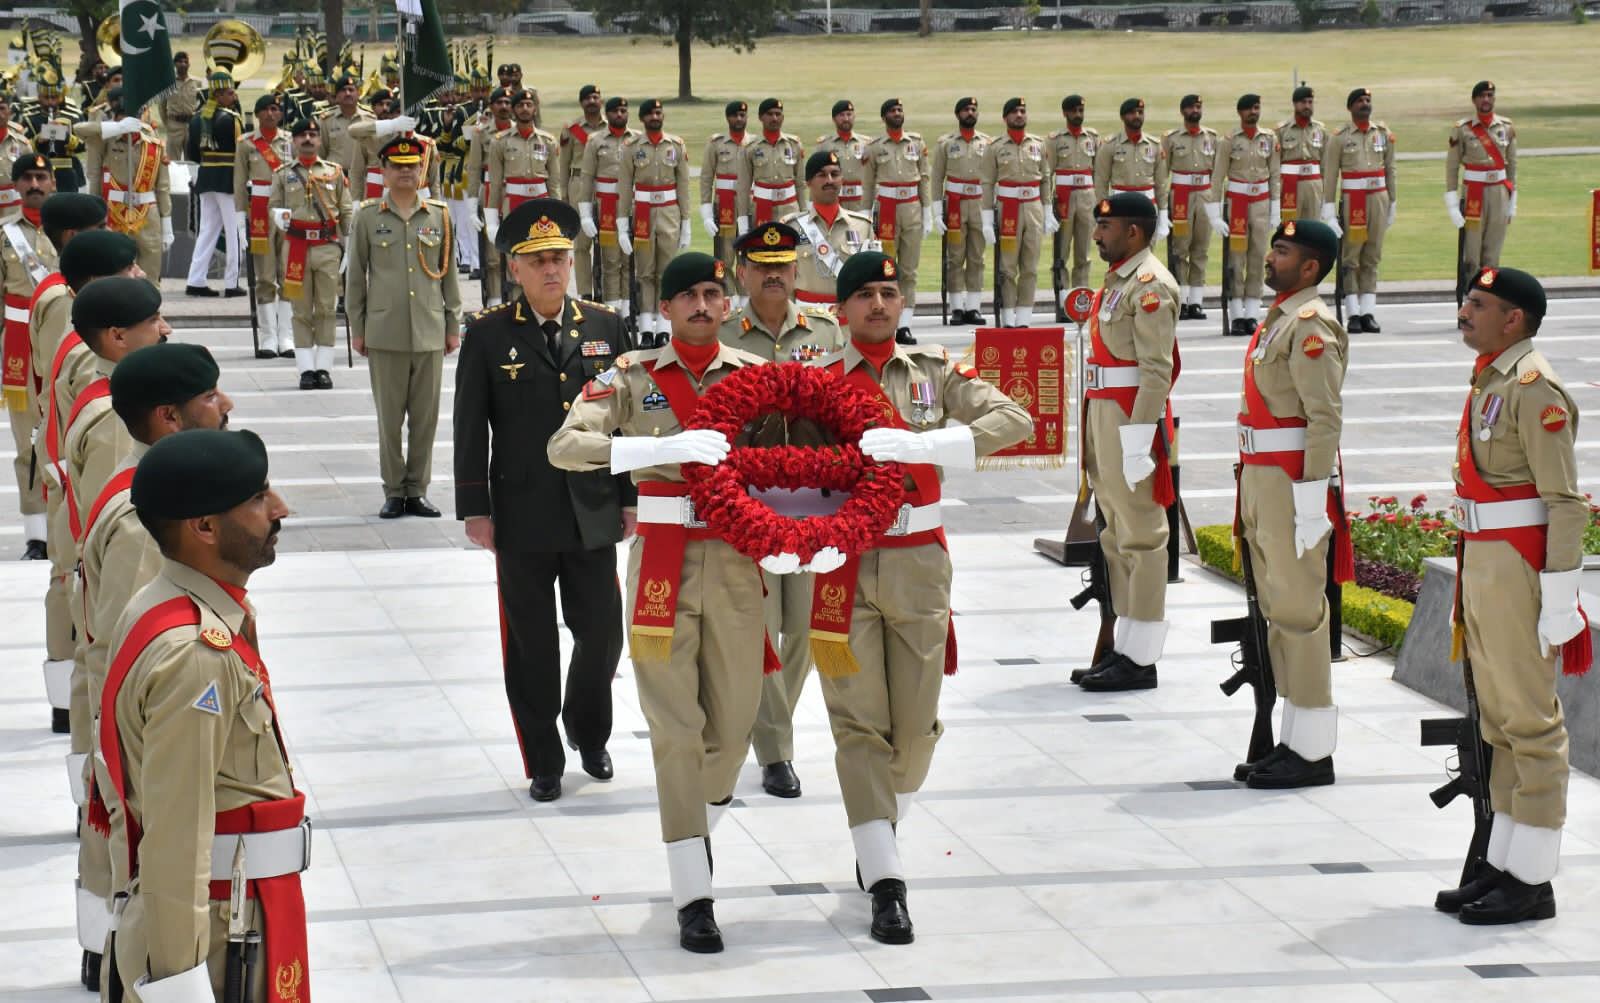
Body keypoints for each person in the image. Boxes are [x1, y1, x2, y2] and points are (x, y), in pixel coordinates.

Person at [549, 252, 768, 954]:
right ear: (666, 309)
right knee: (676, 727)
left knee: (732, 731)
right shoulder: (629, 377)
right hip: (662, 559)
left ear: (727, 305)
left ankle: (696, 826)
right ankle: (692, 894)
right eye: (687, 297)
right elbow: (564, 444)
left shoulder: (756, 378)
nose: (702, 306)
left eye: (712, 294)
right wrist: (649, 448)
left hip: (737, 556)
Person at [813, 250, 1030, 943]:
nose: (879, 304)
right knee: (858, 726)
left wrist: (925, 445)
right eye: (865, 296)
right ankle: (885, 878)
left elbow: (1014, 418)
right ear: (840, 310)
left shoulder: (933, 371)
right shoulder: (813, 384)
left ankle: (882, 820)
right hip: (841, 567)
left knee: (915, 731)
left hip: (918, 563)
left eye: (888, 292)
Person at [101, 428, 307, 1002]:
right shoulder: (194, 656)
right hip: (217, 937)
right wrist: (180, 985)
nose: (280, 509)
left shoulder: (169, 603)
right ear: (206, 528)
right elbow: (174, 839)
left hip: (237, 907)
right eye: (258, 499)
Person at [455, 199, 631, 803]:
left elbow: (625, 421)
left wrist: (629, 496)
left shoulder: (607, 328)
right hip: (522, 513)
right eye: (538, 261)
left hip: (592, 507)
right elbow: (469, 425)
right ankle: (544, 758)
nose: (552, 269)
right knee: (531, 642)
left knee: (603, 632)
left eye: (559, 257)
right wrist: (475, 508)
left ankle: (590, 731)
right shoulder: (487, 333)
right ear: (515, 269)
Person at [75, 342, 231, 993]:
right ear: (170, 417)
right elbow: (132, 659)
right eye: (210, 399)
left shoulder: (148, 494)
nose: (225, 407)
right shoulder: (148, 526)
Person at [1440, 266, 1584, 925]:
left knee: (1531, 721)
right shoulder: (1493, 376)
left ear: (1514, 319)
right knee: (1499, 722)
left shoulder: (1534, 387)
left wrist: (1559, 595)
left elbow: (1563, 501)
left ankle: (1532, 879)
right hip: (1486, 561)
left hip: (1519, 567)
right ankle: (1502, 864)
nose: (1465, 311)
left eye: (1479, 303)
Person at [718, 221, 845, 798]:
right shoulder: (722, 334)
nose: (773, 273)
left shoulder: (826, 331)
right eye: (761, 265)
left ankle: (772, 724)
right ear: (740, 271)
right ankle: (775, 749)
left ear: (797, 271)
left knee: (806, 628)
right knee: (763, 627)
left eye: (783, 264)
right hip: (748, 503)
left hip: (815, 501)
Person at [1232, 219, 1347, 789]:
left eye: (1282, 252)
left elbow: (1323, 418)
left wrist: (1309, 498)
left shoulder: (1311, 327)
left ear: (1309, 268)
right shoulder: (1280, 321)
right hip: (1263, 479)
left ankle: (1312, 752)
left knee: (1300, 614)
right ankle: (1292, 739)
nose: (1269, 258)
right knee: (1280, 613)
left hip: (1289, 483)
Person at [1073, 193, 1180, 693]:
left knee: (1141, 534)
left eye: (1105, 227)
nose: (1096, 235)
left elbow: (1157, 371)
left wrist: (1140, 437)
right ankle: (1124, 644)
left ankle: (1142, 657)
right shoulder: (1119, 282)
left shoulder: (1151, 285)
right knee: (1115, 536)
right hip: (1105, 415)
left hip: (1128, 421)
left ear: (1132, 233)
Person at [30, 197, 112, 737]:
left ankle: (68, 701)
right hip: (70, 461)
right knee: (70, 581)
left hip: (61, 451)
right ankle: (67, 705)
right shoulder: (69, 306)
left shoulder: (54, 291)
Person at [346, 136, 461, 520]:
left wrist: (452, 323)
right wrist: (357, 327)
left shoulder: (439, 215)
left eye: (412, 165)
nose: (406, 172)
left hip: (429, 328)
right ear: (384, 171)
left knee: (426, 420)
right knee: (390, 419)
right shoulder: (367, 216)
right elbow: (356, 278)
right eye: (398, 166)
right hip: (384, 330)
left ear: (421, 170)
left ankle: (418, 490)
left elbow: (449, 276)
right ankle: (394, 490)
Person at [269, 115, 353, 390]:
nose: (308, 139)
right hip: (295, 247)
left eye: (313, 135)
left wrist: (349, 242)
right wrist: (278, 217)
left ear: (319, 140)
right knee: (301, 310)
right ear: (293, 141)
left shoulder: (333, 172)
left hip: (327, 246)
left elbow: (345, 207)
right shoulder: (282, 174)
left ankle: (324, 367)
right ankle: (306, 368)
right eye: (302, 135)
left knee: (327, 308)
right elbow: (274, 207)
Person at [1, 154, 56, 561]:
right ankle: (37, 535)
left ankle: (71, 523)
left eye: (41, 177)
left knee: (70, 438)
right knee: (28, 445)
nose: (34, 184)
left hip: (64, 341)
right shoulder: (4, 236)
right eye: (27, 178)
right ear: (16, 186)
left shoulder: (70, 230)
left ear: (53, 183)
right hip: (19, 342)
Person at [78, 88, 171, 288]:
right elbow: (79, 129)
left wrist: (168, 223)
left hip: (147, 213)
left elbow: (162, 186)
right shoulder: (106, 139)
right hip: (114, 211)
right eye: (122, 120)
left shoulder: (153, 143)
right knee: (115, 273)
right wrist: (116, 128)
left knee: (150, 274)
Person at [1321, 87, 1395, 333]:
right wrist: (1329, 208)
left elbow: (1389, 169)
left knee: (1372, 255)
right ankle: (1353, 311)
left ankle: (1368, 311)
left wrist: (1392, 202)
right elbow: (1330, 174)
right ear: (1351, 107)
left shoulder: (1382, 133)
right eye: (1360, 101)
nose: (1365, 104)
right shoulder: (1340, 137)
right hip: (1355, 201)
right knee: (1352, 257)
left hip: (1378, 198)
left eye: (1368, 100)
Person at [618, 99, 691, 346]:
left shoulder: (676, 145)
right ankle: (646, 328)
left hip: (669, 212)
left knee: (667, 272)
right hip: (642, 213)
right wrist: (621, 223)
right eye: (650, 114)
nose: (655, 116)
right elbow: (625, 187)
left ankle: (664, 327)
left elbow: (683, 186)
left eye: (658, 112)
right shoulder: (631, 147)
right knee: (645, 272)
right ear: (642, 119)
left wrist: (686, 221)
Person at [1210, 94, 1282, 335]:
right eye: (1249, 109)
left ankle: (1252, 313)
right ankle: (1237, 313)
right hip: (1237, 203)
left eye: (1257, 108)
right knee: (1236, 260)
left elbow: (1274, 174)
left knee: (1258, 258)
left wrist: (1275, 208)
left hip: (1260, 203)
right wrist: (1215, 213)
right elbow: (1218, 177)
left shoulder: (1269, 139)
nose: (1254, 112)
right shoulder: (1230, 140)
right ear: (1240, 113)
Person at [861, 99, 930, 344]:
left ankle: (905, 326)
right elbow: (868, 184)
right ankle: (887, 322)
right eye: (892, 111)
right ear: (884, 117)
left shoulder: (916, 143)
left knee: (909, 271)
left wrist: (928, 210)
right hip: (887, 208)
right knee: (887, 270)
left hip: (911, 208)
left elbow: (924, 177)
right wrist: (866, 215)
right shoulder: (875, 147)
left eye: (900, 110)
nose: (897, 113)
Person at [979, 97, 1047, 328]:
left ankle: (1024, 319)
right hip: (1008, 209)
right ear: (1005, 117)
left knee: (1030, 266)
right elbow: (987, 183)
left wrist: (1047, 211)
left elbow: (1046, 179)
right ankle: (1008, 318)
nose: (1020, 115)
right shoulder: (995, 147)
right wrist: (987, 219)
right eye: (1015, 112)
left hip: (1033, 209)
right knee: (1007, 268)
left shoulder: (1038, 144)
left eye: (1023, 111)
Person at [235, 94, 292, 358]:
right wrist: (238, 215)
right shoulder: (247, 143)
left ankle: (286, 336)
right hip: (259, 209)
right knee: (265, 276)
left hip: (287, 210)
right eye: (265, 110)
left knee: (288, 274)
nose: (270, 114)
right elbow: (239, 181)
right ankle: (268, 336)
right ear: (257, 114)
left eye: (274, 109)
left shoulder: (291, 141)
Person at [783, 151, 875, 309]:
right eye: (822, 175)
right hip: (807, 320)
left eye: (835, 174)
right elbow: (785, 282)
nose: (830, 180)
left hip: (848, 321)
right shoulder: (791, 227)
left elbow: (872, 279)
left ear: (842, 180)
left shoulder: (862, 226)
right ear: (808, 182)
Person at [1445, 81, 1517, 281]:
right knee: (1472, 254)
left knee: (1492, 253)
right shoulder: (1463, 129)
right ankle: (1471, 297)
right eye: (1482, 96)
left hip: (1499, 193)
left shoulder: (1507, 127)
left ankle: (1487, 296)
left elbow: (1512, 166)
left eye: (1490, 95)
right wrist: (1451, 202)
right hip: (1474, 192)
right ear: (1474, 100)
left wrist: (1513, 202)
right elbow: (1452, 166)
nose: (1486, 99)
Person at [932, 97, 991, 326]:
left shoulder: (986, 143)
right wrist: (937, 211)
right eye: (966, 109)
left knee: (977, 257)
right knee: (955, 258)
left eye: (974, 109)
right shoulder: (946, 143)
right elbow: (937, 177)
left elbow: (992, 177)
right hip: (955, 204)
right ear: (958, 115)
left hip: (978, 203)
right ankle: (956, 307)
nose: (970, 112)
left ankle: (974, 307)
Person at [575, 96, 636, 315]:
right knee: (611, 261)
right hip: (607, 206)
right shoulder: (595, 140)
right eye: (615, 111)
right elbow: (587, 177)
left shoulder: (637, 139)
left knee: (631, 259)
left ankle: (629, 309)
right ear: (607, 114)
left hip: (632, 206)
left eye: (623, 110)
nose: (619, 114)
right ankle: (612, 309)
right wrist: (585, 214)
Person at [184, 72, 243, 299]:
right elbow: (240, 153)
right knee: (234, 230)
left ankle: (195, 279)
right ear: (218, 94)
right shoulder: (231, 118)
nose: (233, 95)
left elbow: (192, 153)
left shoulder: (197, 118)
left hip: (206, 176)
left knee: (208, 230)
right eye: (229, 92)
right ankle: (231, 283)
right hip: (227, 178)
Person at [1161, 95, 1219, 323]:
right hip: (1181, 196)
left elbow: (1216, 171)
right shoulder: (1172, 138)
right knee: (1179, 249)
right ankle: (1181, 299)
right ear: (1183, 111)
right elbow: (1163, 173)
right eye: (1191, 107)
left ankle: (1196, 301)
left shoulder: (1211, 137)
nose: (1196, 110)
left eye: (1199, 107)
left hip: (1204, 194)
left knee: (1201, 248)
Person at [1043, 95, 1099, 295]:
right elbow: (1047, 174)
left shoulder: (1092, 137)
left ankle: (1080, 297)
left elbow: (1098, 173)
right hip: (1064, 198)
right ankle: (1063, 297)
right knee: (1061, 252)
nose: (1078, 115)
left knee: (1083, 253)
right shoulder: (1055, 139)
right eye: (1074, 111)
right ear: (1065, 113)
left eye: (1081, 111)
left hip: (1087, 197)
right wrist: (1047, 206)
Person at [700, 100, 753, 307]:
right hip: (724, 208)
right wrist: (705, 210)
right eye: (734, 115)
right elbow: (706, 177)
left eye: (742, 115)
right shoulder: (717, 144)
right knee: (723, 258)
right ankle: (728, 298)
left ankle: (746, 301)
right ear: (727, 118)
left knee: (747, 257)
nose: (739, 119)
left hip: (747, 207)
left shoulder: (754, 144)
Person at [467, 87, 514, 306]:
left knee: (514, 251)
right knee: (494, 257)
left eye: (507, 102)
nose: (504, 106)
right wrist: (470, 204)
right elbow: (474, 168)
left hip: (513, 193)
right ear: (491, 106)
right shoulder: (481, 133)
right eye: (499, 102)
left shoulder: (517, 131)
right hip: (488, 193)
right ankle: (495, 301)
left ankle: (516, 297)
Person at [558, 84, 606, 298]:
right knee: (581, 245)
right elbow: (563, 165)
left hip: (606, 185)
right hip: (578, 183)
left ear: (601, 100)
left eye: (595, 97)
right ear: (581, 103)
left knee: (608, 243)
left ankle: (606, 289)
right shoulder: (572, 129)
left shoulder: (611, 127)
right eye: (587, 98)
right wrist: (565, 198)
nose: (592, 101)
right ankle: (586, 292)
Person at [737, 98, 806, 230]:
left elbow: (800, 183)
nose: (774, 118)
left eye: (778, 114)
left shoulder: (794, 144)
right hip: (762, 208)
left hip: (790, 208)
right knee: (763, 248)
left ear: (783, 117)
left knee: (791, 248)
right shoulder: (750, 147)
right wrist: (742, 219)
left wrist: (804, 213)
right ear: (760, 117)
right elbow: (743, 187)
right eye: (769, 114)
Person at [1277, 85, 1327, 222]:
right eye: (1303, 102)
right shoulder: (1282, 130)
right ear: (1295, 104)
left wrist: (1326, 196)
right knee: (1289, 229)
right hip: (1289, 185)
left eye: (1310, 102)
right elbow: (1275, 166)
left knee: (1313, 229)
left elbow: (1325, 165)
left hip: (1314, 185)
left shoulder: (1320, 130)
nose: (1307, 106)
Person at [317, 74, 375, 179]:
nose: (347, 93)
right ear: (337, 96)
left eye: (351, 90)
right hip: (334, 177)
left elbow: (374, 155)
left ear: (358, 94)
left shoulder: (369, 119)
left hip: (362, 178)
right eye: (343, 90)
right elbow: (320, 153)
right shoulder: (326, 120)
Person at [813, 100, 868, 212]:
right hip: (834, 200)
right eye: (841, 115)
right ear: (834, 119)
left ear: (854, 116)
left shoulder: (866, 143)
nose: (846, 118)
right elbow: (816, 176)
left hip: (861, 202)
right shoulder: (824, 145)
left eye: (849, 114)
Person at [157, 51, 204, 157]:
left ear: (189, 64)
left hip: (191, 125)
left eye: (185, 62)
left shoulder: (196, 82)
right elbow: (161, 106)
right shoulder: (168, 83)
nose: (183, 64)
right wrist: (168, 124)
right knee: (173, 161)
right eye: (180, 62)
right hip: (174, 125)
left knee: (191, 159)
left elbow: (202, 104)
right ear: (174, 64)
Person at [0, 92, 35, 210]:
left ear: (9, 111)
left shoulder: (21, 144)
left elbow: (32, 178)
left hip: (14, 210)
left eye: (2, 108)